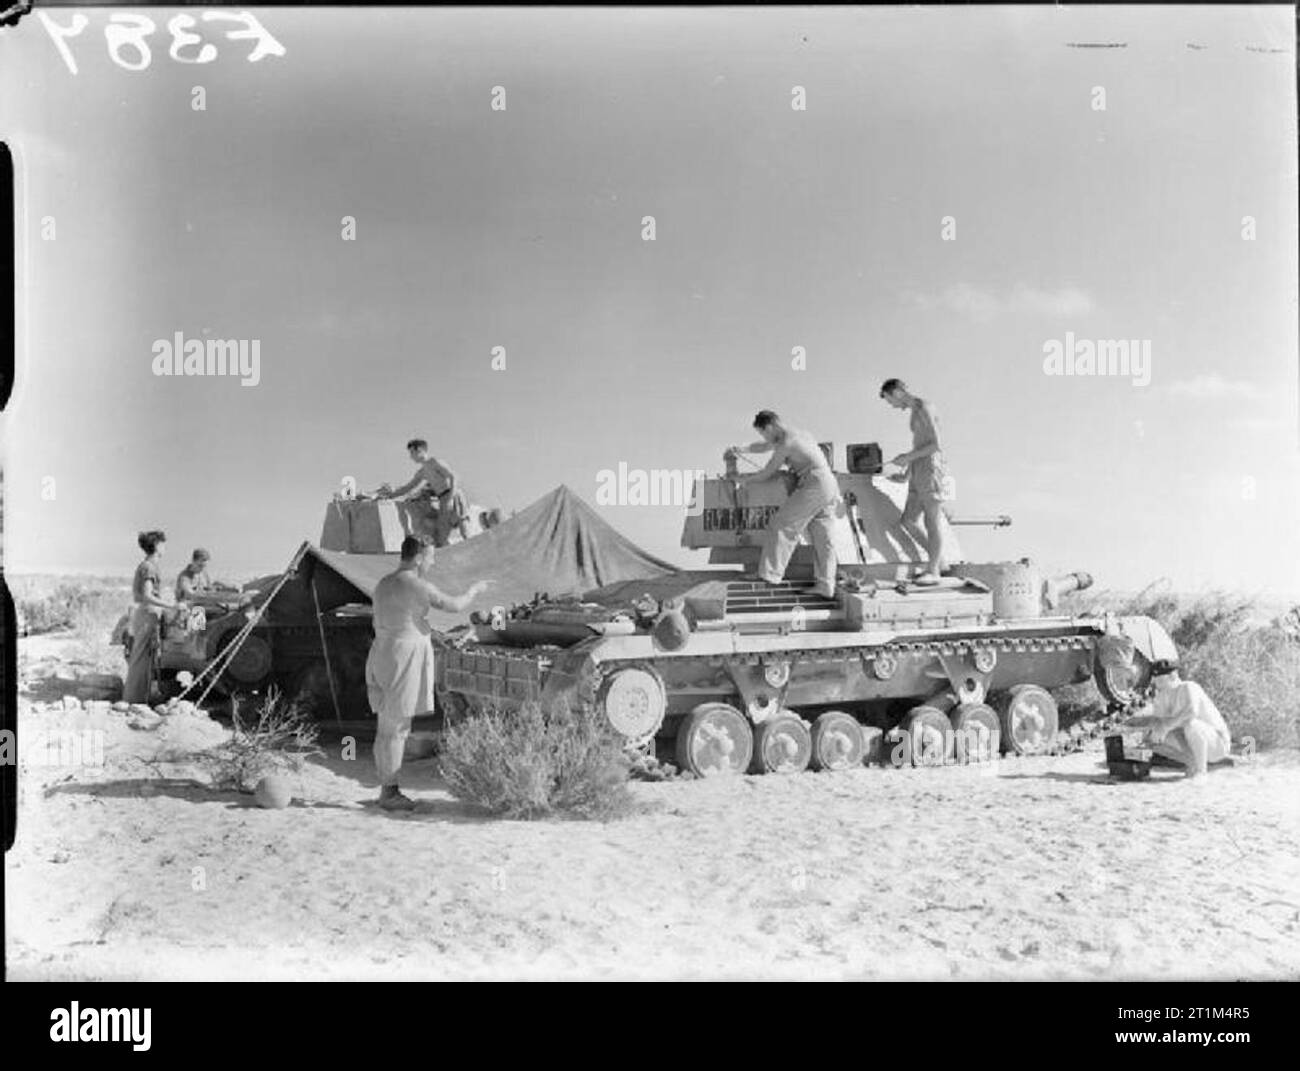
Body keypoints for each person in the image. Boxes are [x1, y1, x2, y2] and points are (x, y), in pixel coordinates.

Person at [367, 535, 490, 811]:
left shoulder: (384, 583)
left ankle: (386, 788)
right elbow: (455, 605)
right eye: (431, 557)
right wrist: (475, 590)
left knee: (386, 727)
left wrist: (432, 635)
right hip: (403, 659)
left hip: (383, 653)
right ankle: (390, 793)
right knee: (397, 728)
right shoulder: (415, 584)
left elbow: (401, 620)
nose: (433, 562)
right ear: (419, 557)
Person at [727, 410, 839, 599]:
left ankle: (769, 575)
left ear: (769, 427)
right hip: (829, 484)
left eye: (763, 432)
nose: (764, 437)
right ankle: (826, 584)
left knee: (782, 524)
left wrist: (742, 479)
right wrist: (740, 449)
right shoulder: (800, 434)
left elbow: (766, 473)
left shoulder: (787, 443)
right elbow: (764, 446)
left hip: (813, 485)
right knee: (822, 537)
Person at [879, 378, 955, 586]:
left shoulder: (924, 408)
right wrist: (906, 473)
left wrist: (907, 458)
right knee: (909, 521)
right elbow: (919, 445)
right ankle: (938, 561)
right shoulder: (914, 412)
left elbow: (936, 445)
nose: (892, 406)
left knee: (932, 521)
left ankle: (933, 571)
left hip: (932, 469)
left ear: (897, 393)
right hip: (919, 469)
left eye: (889, 400)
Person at [1136, 660, 1233, 778]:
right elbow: (1160, 723)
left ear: (1173, 676)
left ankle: (1201, 771)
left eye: (1161, 680)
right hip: (1191, 741)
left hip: (1217, 743)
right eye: (1156, 680)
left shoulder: (1188, 687)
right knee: (1151, 737)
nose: (1158, 684)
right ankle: (1192, 763)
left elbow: (1191, 712)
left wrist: (1166, 727)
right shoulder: (1161, 696)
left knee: (1191, 724)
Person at [377, 439, 471, 546]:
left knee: (464, 530)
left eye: (412, 452)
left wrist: (450, 498)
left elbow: (453, 476)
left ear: (420, 450)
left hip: (453, 495)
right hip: (442, 499)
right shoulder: (422, 472)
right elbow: (408, 487)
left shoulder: (434, 462)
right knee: (442, 537)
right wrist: (390, 495)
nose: (411, 456)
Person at [124, 530, 174, 705]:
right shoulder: (149, 567)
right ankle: (133, 701)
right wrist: (170, 605)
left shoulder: (148, 565)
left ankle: (138, 699)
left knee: (144, 659)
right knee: (140, 659)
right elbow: (147, 595)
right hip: (146, 613)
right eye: (163, 544)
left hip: (146, 613)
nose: (165, 547)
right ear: (157, 546)